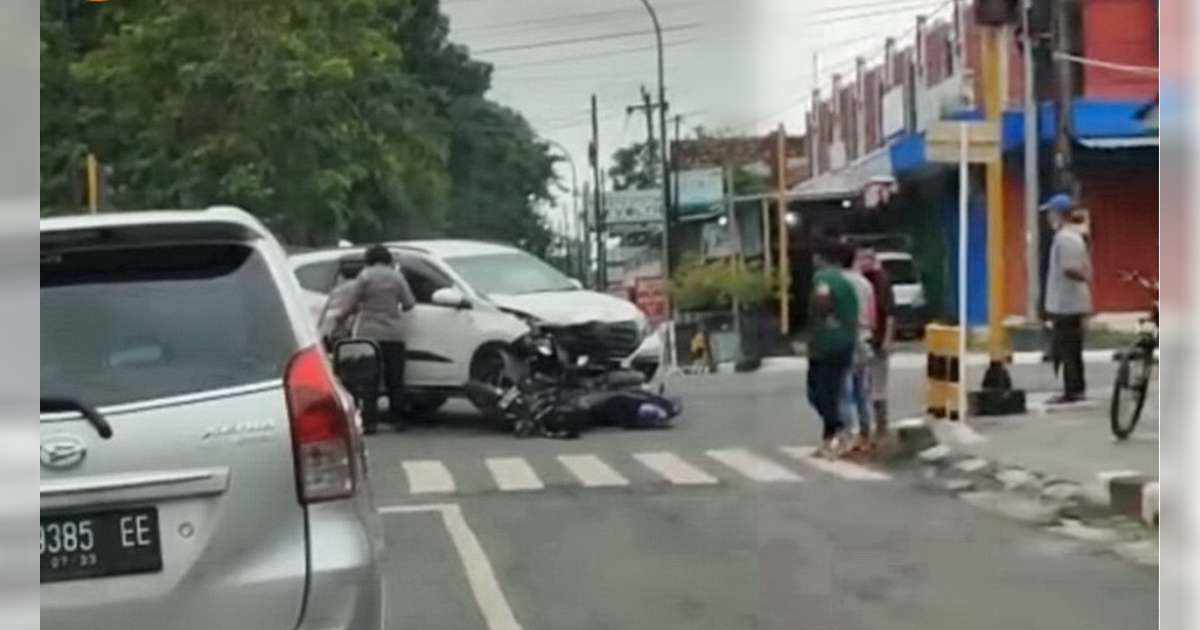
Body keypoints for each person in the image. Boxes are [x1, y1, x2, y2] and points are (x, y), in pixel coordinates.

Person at [322, 244, 417, 433]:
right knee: (395, 379)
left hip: (369, 334)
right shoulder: (397, 277)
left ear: (368, 259)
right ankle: (397, 420)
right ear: (388, 259)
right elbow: (409, 303)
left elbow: (352, 303)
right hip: (393, 334)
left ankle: (370, 422)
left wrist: (340, 319)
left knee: (369, 380)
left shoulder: (364, 276)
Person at [806, 242, 859, 459]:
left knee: (820, 393)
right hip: (843, 343)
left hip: (827, 345)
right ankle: (829, 438)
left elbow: (822, 298)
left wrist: (826, 317)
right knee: (829, 392)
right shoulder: (846, 281)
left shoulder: (823, 278)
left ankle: (840, 431)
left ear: (821, 258)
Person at [1041, 194, 1092, 404]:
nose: (1048, 218)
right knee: (1070, 347)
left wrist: (1081, 276)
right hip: (1067, 302)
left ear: (1059, 214)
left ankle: (1072, 389)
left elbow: (1071, 268)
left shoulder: (1066, 238)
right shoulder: (1069, 236)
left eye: (1051, 213)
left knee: (1067, 348)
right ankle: (1074, 387)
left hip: (1068, 304)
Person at [839, 244, 876, 457]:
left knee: (843, 391)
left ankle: (848, 435)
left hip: (845, 340)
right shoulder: (865, 283)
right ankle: (866, 432)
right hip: (864, 338)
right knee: (862, 391)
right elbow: (871, 316)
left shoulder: (839, 283)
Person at [859, 246, 895, 444]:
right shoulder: (863, 281)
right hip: (866, 339)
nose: (861, 263)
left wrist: (888, 340)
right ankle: (871, 428)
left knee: (877, 387)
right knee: (866, 386)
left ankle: (881, 427)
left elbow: (889, 313)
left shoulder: (881, 280)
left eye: (864, 259)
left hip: (878, 340)